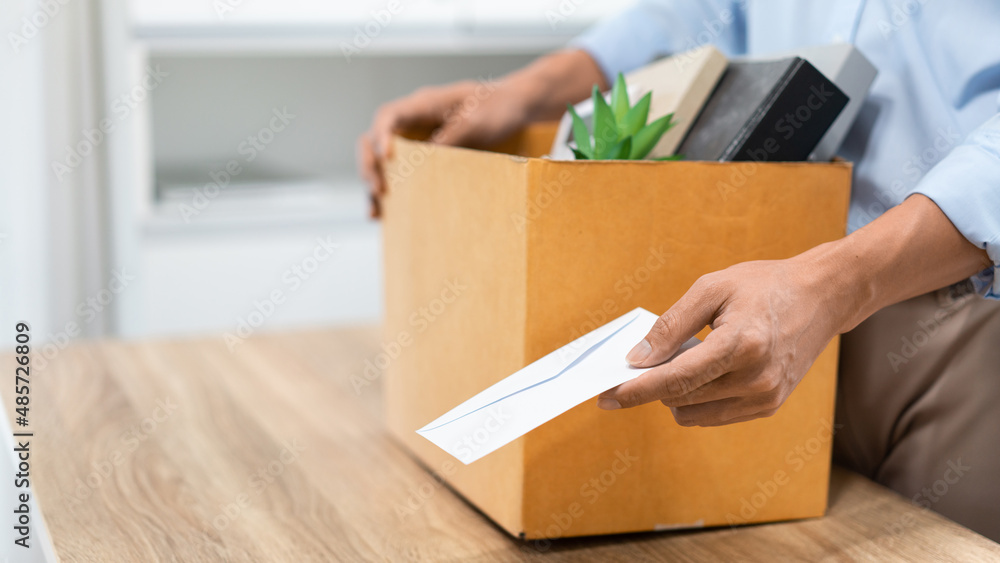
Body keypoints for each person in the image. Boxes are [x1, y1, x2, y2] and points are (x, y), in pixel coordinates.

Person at [357, 1, 1000, 541]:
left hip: (955, 306)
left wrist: (838, 281)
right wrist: (519, 94)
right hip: (762, 293)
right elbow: (697, 14)